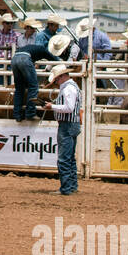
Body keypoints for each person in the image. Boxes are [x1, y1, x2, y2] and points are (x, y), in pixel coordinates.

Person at [46, 64, 83, 195]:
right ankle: (72, 186)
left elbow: (69, 108)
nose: (56, 82)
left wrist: (52, 107)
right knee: (70, 157)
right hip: (72, 123)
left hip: (67, 124)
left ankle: (66, 188)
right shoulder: (72, 87)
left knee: (64, 158)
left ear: (61, 77)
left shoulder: (68, 89)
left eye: (56, 80)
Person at [11, 38, 53, 122]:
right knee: (33, 87)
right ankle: (30, 113)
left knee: (19, 88)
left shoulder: (31, 48)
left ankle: (17, 114)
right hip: (24, 59)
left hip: (14, 58)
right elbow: (53, 59)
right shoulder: (43, 49)